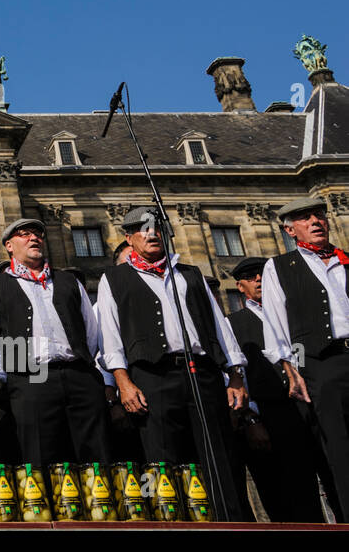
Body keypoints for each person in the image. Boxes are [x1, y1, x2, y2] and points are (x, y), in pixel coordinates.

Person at [95, 206, 248, 518]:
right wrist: (123, 383)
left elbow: (218, 325)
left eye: (157, 228)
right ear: (129, 238)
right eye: (144, 229)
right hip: (152, 376)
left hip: (201, 372)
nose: (152, 234)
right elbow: (109, 336)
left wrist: (235, 376)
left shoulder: (189, 274)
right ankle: (171, 521)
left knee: (218, 453)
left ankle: (230, 520)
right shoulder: (114, 279)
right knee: (161, 459)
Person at [0, 219, 112, 468]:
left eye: (38, 234)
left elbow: (91, 330)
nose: (34, 238)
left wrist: (88, 369)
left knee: (95, 454)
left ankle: (98, 506)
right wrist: (7, 382)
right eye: (24, 234)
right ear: (9, 245)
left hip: (78, 378)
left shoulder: (68, 281)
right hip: (31, 381)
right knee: (42, 456)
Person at [260, 196, 349, 517]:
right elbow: (275, 325)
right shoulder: (281, 267)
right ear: (290, 230)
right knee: (340, 449)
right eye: (305, 218)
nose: (315, 221)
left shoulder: (345, 260)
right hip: (321, 364)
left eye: (319, 215)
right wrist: (292, 371)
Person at [225, 255, 325, 522]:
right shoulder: (233, 324)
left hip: (311, 406)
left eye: (261, 274)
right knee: (284, 495)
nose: (258, 279)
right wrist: (252, 417)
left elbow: (302, 356)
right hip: (271, 413)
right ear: (240, 287)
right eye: (250, 277)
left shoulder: (293, 313)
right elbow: (238, 377)